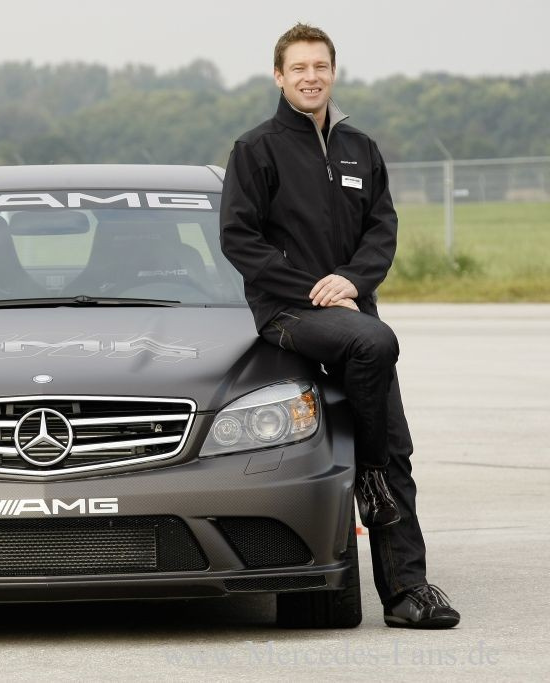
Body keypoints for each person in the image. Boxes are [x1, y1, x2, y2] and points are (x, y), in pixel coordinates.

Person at [219, 22, 460, 629]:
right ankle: (369, 474)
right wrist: (312, 290)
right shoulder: (256, 150)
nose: (310, 77)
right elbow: (239, 240)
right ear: (279, 76)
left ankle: (407, 593)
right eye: (298, 68)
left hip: (354, 310)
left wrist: (352, 280)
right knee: (377, 343)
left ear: (333, 72)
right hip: (290, 313)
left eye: (320, 66)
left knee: (396, 444)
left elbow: (382, 229)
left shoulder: (361, 148)